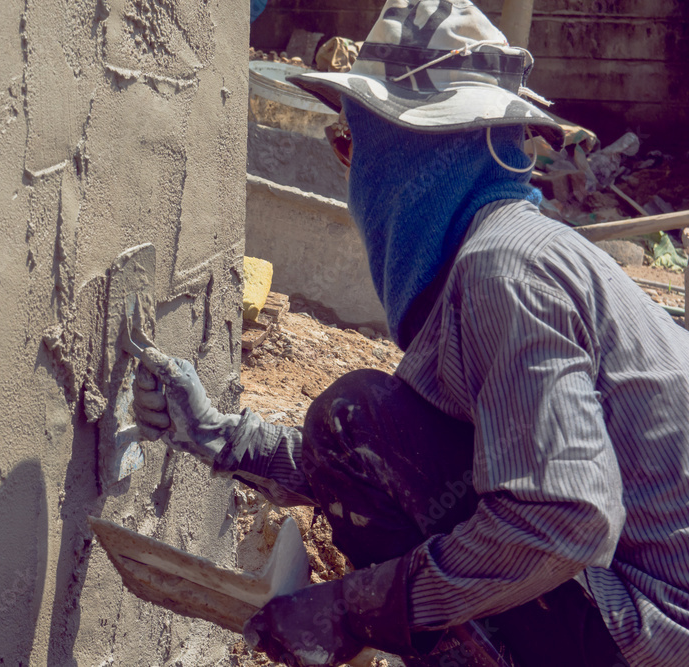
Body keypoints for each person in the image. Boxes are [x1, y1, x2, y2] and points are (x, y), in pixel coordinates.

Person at [132, 1, 689, 666]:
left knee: (355, 417)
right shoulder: (503, 257)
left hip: (650, 631)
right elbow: (416, 473)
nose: (352, 171)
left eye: (352, 145)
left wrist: (359, 607)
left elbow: (563, 519)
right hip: (635, 612)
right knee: (366, 430)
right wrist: (225, 438)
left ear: (421, 148)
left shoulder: (505, 272)